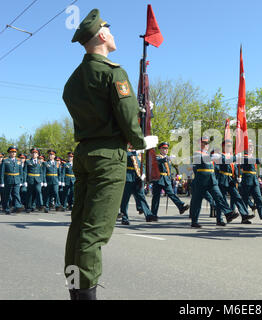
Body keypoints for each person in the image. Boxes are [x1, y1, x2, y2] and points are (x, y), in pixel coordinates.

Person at [63, 9, 159, 300]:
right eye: (110, 31)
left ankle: (75, 290)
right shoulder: (114, 72)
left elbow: (98, 111)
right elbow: (128, 122)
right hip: (109, 156)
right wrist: (142, 140)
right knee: (95, 233)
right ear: (102, 35)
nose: (113, 35)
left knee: (79, 227)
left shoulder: (74, 80)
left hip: (85, 152)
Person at [189, 137, 238, 228]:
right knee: (197, 201)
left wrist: (236, 158)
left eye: (207, 144)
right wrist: (211, 157)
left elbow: (225, 161)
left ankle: (228, 213)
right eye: (203, 143)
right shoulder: (197, 153)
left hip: (212, 180)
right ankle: (194, 221)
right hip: (201, 180)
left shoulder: (210, 154)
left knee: (219, 196)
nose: (205, 145)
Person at [151, 142, 189, 221]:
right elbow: (159, 161)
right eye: (164, 148)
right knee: (156, 198)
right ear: (160, 149)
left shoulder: (168, 158)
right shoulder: (157, 157)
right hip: (158, 179)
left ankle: (181, 207)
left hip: (166, 179)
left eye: (166, 149)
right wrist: (166, 159)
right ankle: (153, 215)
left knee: (171, 194)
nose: (165, 150)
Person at [237, 140, 262, 222]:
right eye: (249, 147)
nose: (251, 148)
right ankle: (244, 216)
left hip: (254, 180)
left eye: (252, 147)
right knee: (244, 198)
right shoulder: (244, 156)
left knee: (258, 198)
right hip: (247, 179)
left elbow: (254, 168)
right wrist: (260, 160)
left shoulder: (252, 156)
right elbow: (248, 162)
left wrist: (258, 177)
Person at [0, 146, 24, 214]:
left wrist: (21, 180)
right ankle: (6, 208)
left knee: (16, 193)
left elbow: (21, 171)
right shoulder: (5, 160)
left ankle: (18, 206)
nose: (13, 153)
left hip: (16, 179)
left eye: (15, 152)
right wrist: (2, 182)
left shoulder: (18, 161)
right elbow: (2, 172)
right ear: (9, 153)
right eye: (12, 152)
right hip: (8, 180)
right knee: (7, 195)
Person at [24, 148, 44, 213]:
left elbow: (41, 172)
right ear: (31, 154)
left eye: (35, 153)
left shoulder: (40, 162)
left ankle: (40, 205)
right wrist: (25, 181)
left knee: (38, 191)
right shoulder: (27, 161)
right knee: (30, 194)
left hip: (38, 179)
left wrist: (42, 180)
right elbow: (25, 172)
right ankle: (29, 207)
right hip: (30, 179)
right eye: (33, 153)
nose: (34, 154)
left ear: (38, 154)